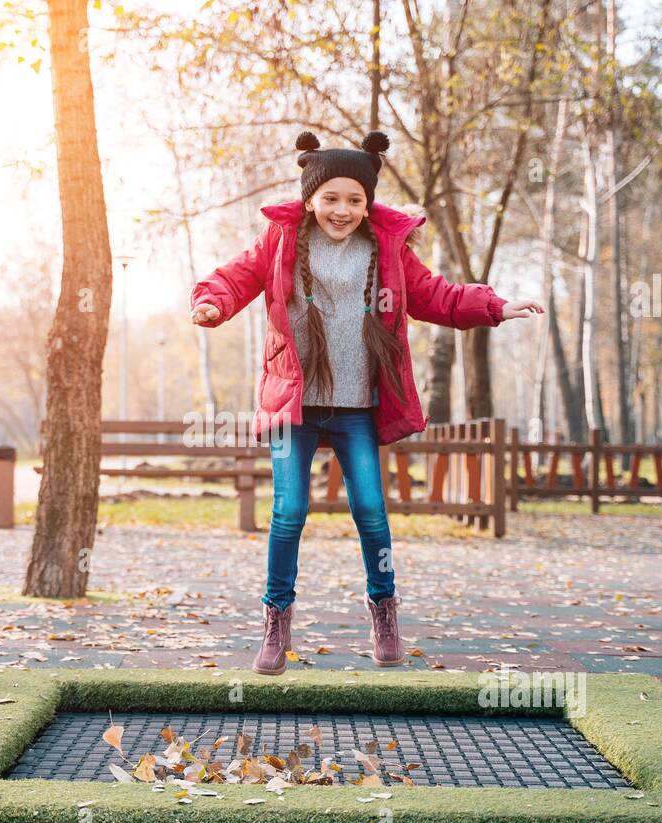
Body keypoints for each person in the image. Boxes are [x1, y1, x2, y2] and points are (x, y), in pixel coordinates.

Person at [190, 130, 543, 675]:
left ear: (368, 202)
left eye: (355, 199)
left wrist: (495, 306)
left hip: (357, 404)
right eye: (331, 198)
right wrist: (212, 303)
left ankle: (384, 610)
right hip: (296, 405)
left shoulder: (387, 249)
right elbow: (236, 277)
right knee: (288, 512)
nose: (343, 210)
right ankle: (276, 621)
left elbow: (436, 295)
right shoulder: (281, 242)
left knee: (372, 513)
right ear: (310, 198)